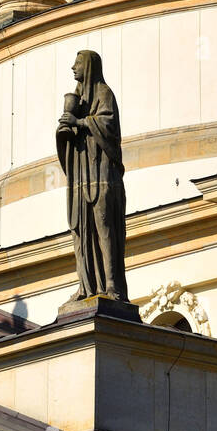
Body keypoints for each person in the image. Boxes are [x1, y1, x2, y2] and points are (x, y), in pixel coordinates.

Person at [55, 50, 128, 302]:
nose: (72, 68)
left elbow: (108, 126)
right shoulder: (79, 99)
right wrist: (65, 129)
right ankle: (86, 284)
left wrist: (81, 122)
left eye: (77, 64)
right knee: (82, 230)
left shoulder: (104, 94)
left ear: (88, 66)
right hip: (82, 176)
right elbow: (70, 142)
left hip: (102, 174)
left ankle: (111, 285)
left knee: (104, 227)